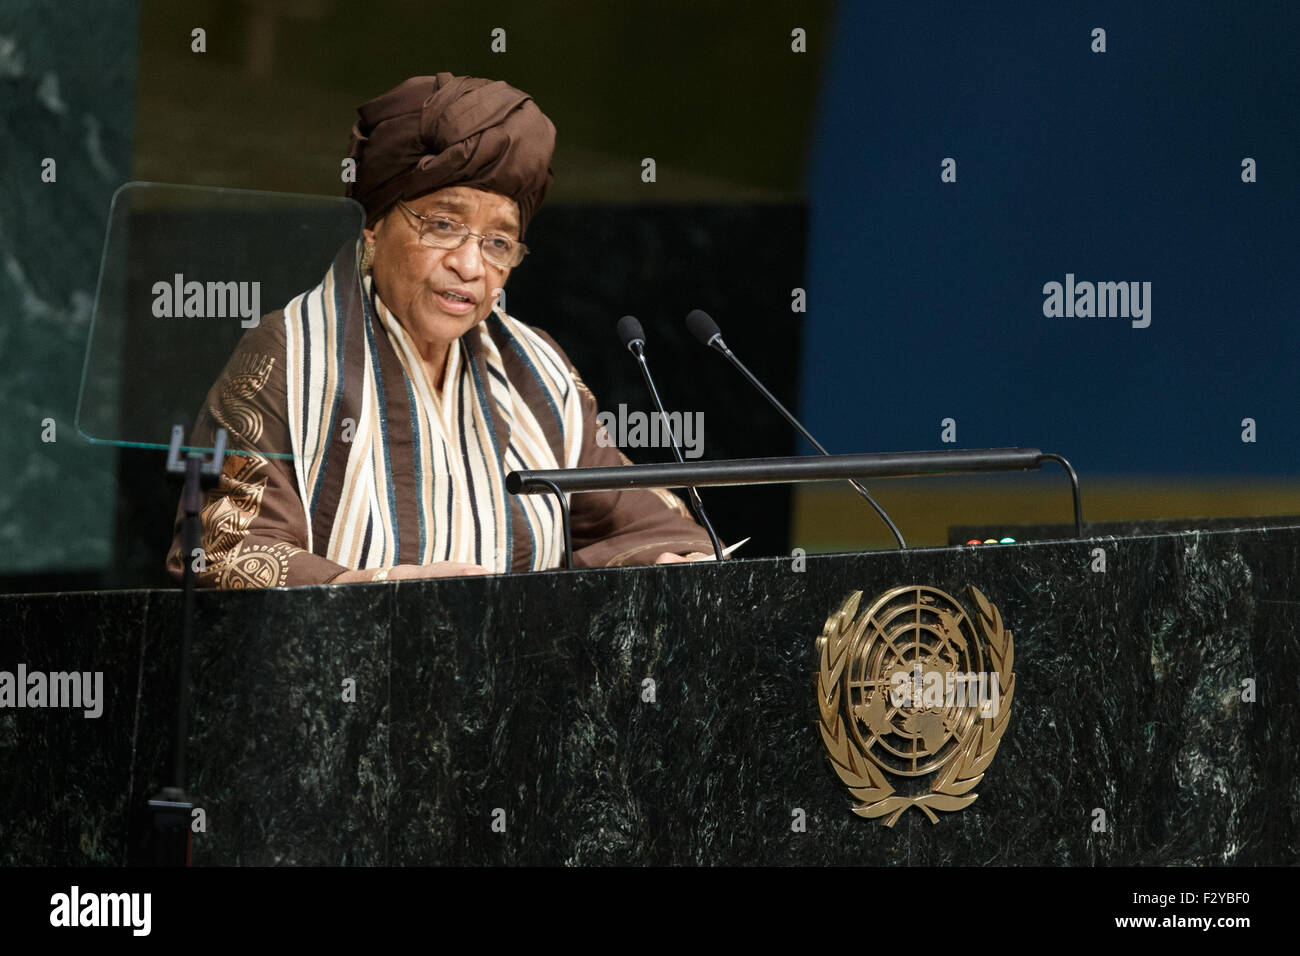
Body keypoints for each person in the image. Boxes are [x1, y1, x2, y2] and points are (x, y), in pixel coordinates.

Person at [165, 73, 712, 588]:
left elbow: (640, 520)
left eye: (498, 242)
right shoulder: (289, 354)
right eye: (444, 225)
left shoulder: (535, 367)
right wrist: (367, 590)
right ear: (374, 227)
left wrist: (661, 561)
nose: (470, 266)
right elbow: (222, 549)